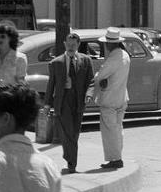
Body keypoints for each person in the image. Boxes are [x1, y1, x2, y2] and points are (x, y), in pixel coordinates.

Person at [44, 32, 94, 175]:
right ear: (65, 44)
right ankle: (72, 163)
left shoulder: (86, 60)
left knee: (75, 133)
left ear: (78, 45)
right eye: (68, 44)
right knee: (68, 132)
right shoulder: (56, 63)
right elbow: (51, 84)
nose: (71, 47)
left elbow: (91, 81)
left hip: (78, 101)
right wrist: (47, 104)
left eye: (74, 44)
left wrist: (89, 94)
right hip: (63, 100)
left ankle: (69, 157)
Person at [94, 27, 130, 170]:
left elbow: (100, 76)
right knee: (118, 129)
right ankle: (117, 157)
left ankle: (115, 159)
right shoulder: (124, 55)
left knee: (110, 131)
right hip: (121, 96)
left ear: (108, 44)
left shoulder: (113, 58)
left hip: (110, 99)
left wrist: (99, 78)